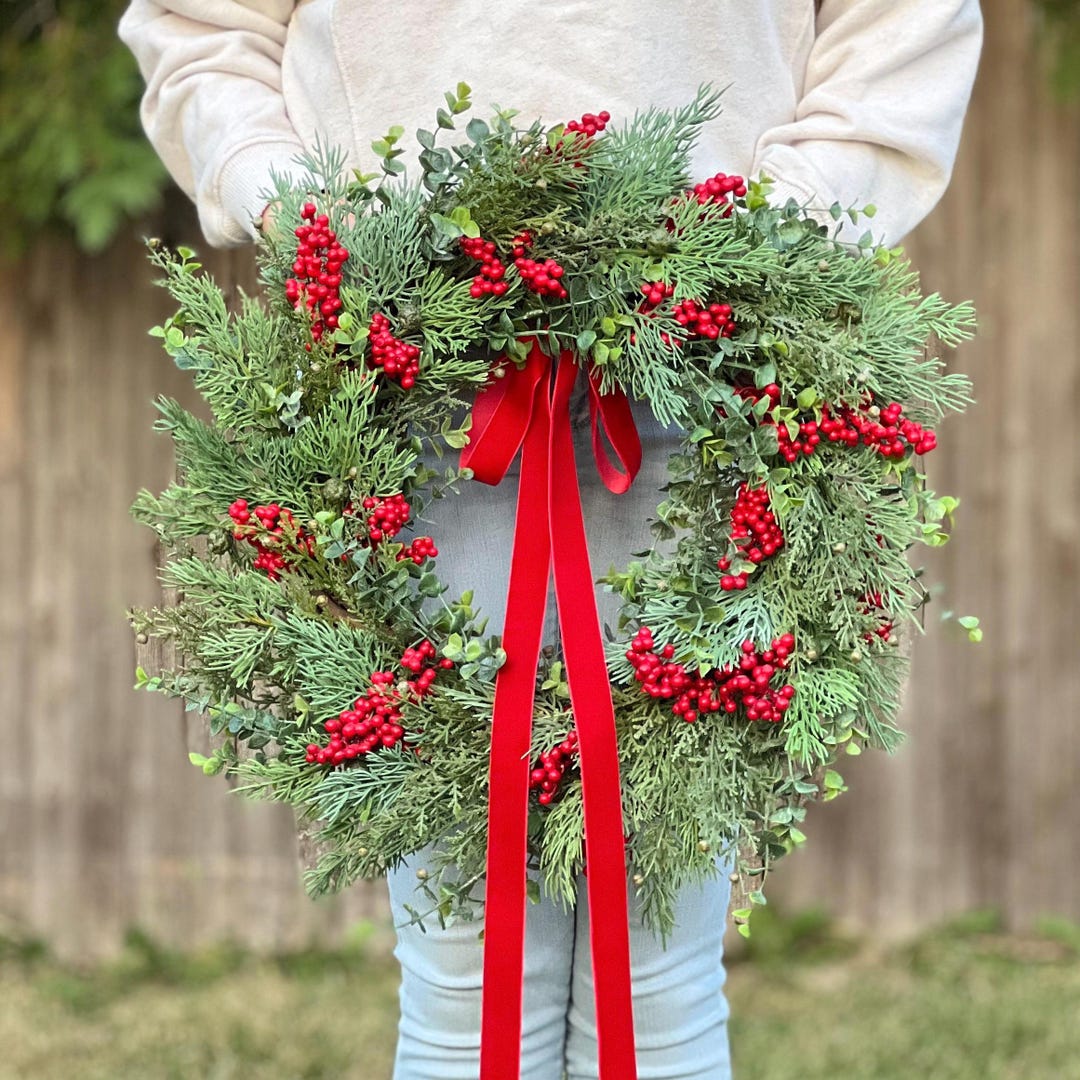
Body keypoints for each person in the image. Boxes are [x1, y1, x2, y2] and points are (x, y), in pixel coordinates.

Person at [118, 3, 984, 1077]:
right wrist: (287, 190)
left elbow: (902, 25)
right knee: (469, 988)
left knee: (660, 987)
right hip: (407, 388)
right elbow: (203, 26)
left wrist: (783, 216)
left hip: (707, 368)